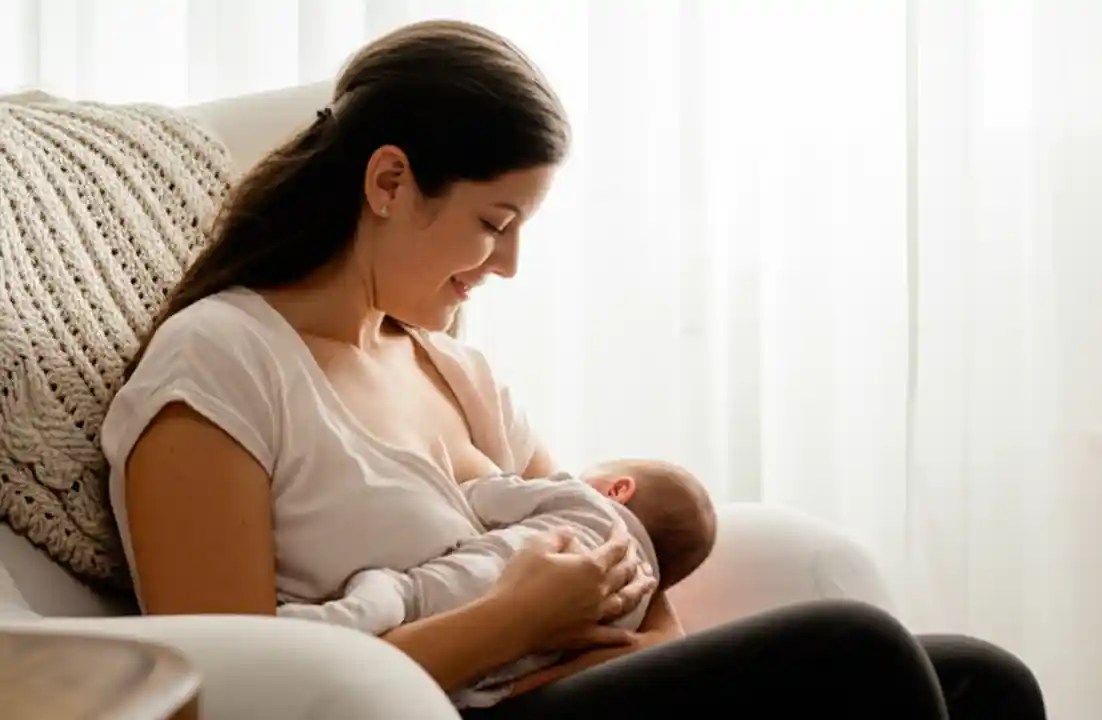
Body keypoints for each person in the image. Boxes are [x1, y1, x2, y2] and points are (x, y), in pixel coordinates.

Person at [100, 19, 1047, 719]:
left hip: (557, 690)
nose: (505, 265)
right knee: (855, 650)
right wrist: (512, 622)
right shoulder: (223, 362)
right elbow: (222, 683)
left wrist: (629, 649)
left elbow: (607, 551)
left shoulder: (454, 372)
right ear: (389, 183)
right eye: (493, 223)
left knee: (981, 678)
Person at [275, 458, 716, 708]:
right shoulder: (636, 595)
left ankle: (300, 628)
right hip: (490, 682)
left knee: (383, 592)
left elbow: (485, 494)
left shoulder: (579, 500)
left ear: (618, 489)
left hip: (431, 595)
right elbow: (645, 644)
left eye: (592, 470)